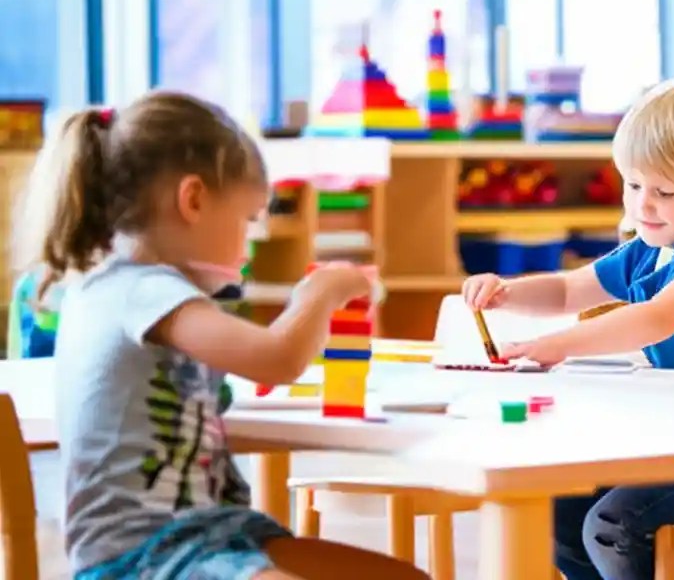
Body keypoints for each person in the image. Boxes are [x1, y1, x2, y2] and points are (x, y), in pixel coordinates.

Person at [27, 92, 429, 580]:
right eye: (246, 219)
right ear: (193, 199)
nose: (249, 240)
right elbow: (277, 359)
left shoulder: (144, 289)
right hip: (144, 557)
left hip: (215, 535)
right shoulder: (140, 290)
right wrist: (319, 293)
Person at [462, 79, 674, 580]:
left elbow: (656, 317)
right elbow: (569, 291)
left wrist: (556, 346)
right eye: (634, 185)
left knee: (615, 523)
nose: (643, 206)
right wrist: (507, 292)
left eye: (665, 192)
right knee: (561, 512)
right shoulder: (646, 250)